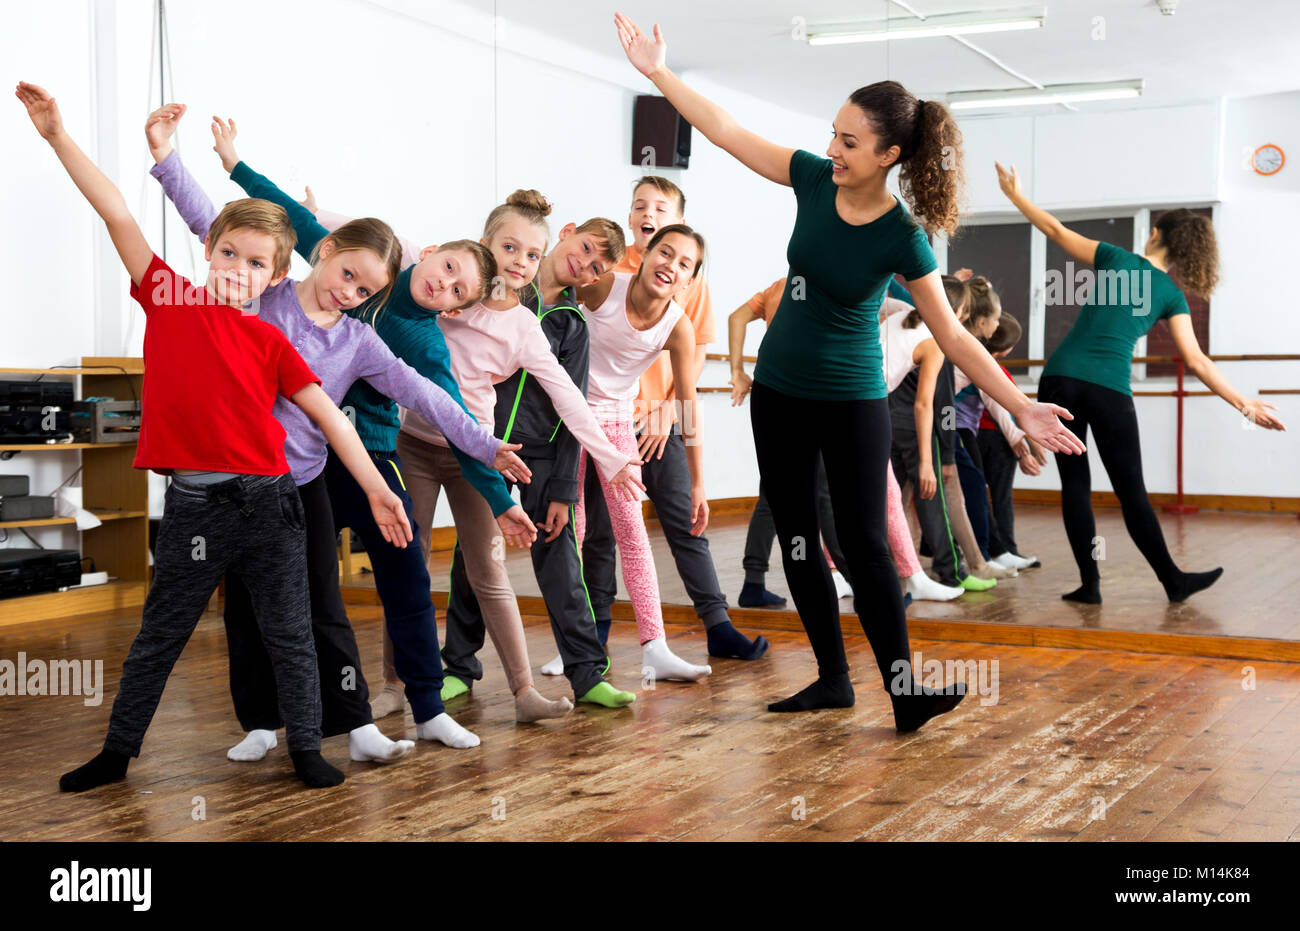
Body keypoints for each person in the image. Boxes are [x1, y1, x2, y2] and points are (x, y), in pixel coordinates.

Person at [614, 17, 1086, 731]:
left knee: (866, 544)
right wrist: (658, 73)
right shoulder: (810, 176)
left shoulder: (902, 235)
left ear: (890, 154)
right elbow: (726, 130)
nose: (832, 149)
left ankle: (905, 692)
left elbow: (952, 333)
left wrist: (1020, 403)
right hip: (780, 394)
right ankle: (834, 678)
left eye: (849, 142)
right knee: (799, 534)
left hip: (852, 400)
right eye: (832, 133)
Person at [18, 82, 407, 790]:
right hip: (195, 508)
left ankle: (306, 748)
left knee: (290, 632)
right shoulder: (168, 297)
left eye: (257, 263)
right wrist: (57, 137)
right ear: (210, 249)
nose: (239, 270)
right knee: (159, 634)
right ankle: (117, 752)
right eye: (230, 253)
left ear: (277, 275)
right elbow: (114, 211)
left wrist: (380, 489)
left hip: (271, 505)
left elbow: (326, 418)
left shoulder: (272, 342)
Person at [147, 105, 514, 756]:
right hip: (243, 476)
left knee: (321, 603)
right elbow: (210, 221)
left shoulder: (361, 342)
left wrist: (486, 445)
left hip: (303, 484)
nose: (349, 291)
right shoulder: (268, 293)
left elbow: (428, 394)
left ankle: (358, 724)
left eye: (364, 288)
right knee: (245, 605)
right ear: (326, 253)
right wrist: (169, 158)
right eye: (346, 274)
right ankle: (261, 721)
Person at [314, 192, 643, 715]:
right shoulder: (445, 282)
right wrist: (313, 210)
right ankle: (393, 687)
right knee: (409, 562)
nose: (519, 261)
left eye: (531, 255)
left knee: (489, 572)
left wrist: (610, 457)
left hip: (476, 455)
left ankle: (524, 691)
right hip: (414, 445)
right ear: (485, 246)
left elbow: (567, 396)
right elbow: (376, 235)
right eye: (509, 247)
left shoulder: (525, 329)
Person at [997, 162, 1285, 603]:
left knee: (1075, 484)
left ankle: (1090, 586)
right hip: (1110, 388)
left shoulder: (1116, 257)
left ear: (1154, 234)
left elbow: (1055, 230)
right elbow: (1197, 361)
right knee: (1131, 492)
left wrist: (1015, 195)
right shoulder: (1171, 294)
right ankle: (1173, 580)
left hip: (1059, 379)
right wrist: (1245, 404)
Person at [571, 175, 768, 661]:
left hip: (660, 420)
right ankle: (592, 635)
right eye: (639, 205)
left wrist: (666, 408)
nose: (647, 213)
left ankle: (717, 626)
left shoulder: (687, 277)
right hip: (600, 421)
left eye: (660, 207)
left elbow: (694, 354)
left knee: (683, 521)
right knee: (601, 532)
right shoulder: (610, 272)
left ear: (677, 220)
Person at [575, 224, 718, 681]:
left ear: (689, 281)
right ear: (645, 253)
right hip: (567, 415)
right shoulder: (602, 287)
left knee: (632, 532)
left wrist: (698, 482)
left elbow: (688, 404)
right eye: (665, 253)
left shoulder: (678, 326)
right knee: (573, 530)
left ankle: (655, 647)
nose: (670, 266)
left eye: (684, 264)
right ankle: (574, 643)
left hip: (616, 421)